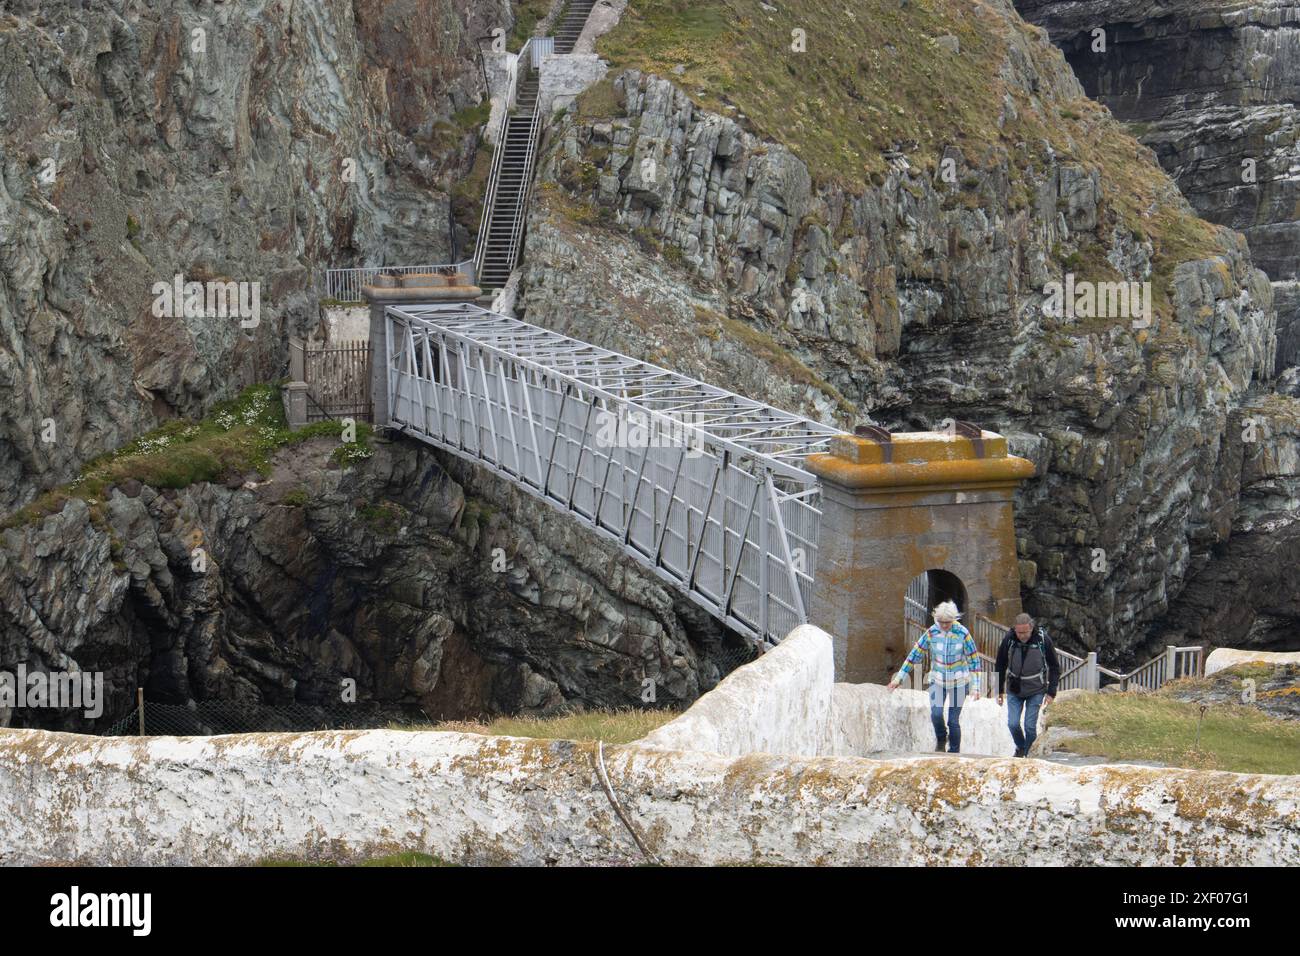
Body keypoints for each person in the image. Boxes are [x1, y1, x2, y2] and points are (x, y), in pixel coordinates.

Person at [887, 601, 980, 753]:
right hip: (937, 680)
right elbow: (915, 655)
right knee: (936, 714)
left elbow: (974, 661)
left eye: (947, 622)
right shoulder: (932, 632)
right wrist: (899, 678)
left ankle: (954, 752)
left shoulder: (963, 633)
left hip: (959, 682)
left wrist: (976, 686)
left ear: (954, 619)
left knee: (953, 720)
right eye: (941, 622)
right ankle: (942, 739)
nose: (944, 625)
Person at [995, 613, 1060, 757]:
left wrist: (1051, 692)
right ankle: (1021, 747)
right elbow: (1000, 664)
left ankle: (1029, 754)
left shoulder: (1043, 640)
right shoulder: (1009, 639)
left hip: (1036, 689)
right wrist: (998, 690)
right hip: (1014, 688)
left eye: (1025, 632)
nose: (1022, 636)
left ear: (1031, 629)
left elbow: (1054, 666)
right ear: (1015, 629)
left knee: (1030, 726)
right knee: (1012, 724)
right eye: (1019, 632)